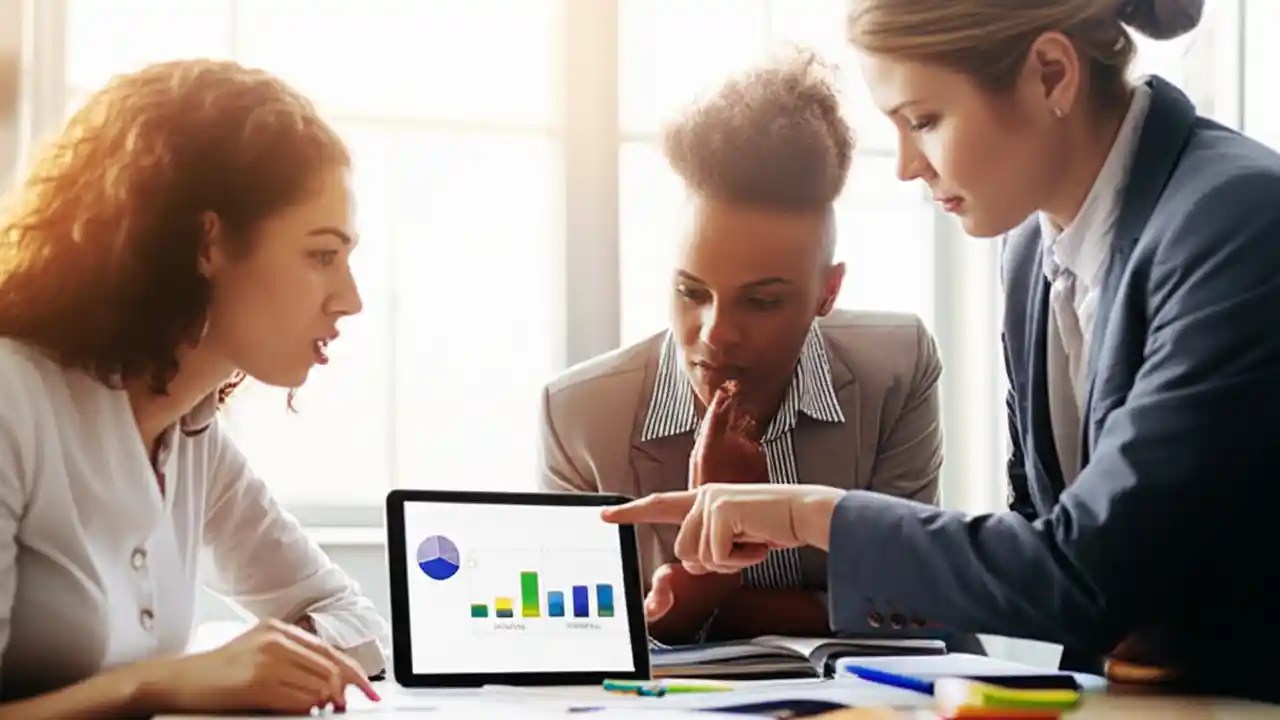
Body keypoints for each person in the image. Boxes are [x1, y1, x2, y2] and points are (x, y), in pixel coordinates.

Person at [602, 0, 1280, 703]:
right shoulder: (1030, 249)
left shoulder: (1236, 223)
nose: (903, 167)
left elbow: (1092, 573)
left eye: (924, 120)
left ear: (1051, 74)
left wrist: (812, 515)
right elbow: (1035, 536)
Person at [0, 59, 389, 716]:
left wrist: (267, 665)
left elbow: (355, 619)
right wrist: (167, 682)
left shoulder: (191, 437)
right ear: (206, 243)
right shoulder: (16, 400)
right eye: (322, 255)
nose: (349, 300)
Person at [539, 50, 954, 646]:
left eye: (761, 301)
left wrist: (728, 611)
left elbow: (918, 602)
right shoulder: (578, 417)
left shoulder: (897, 369)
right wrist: (708, 582)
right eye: (690, 291)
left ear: (826, 292)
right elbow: (571, 645)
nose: (715, 334)